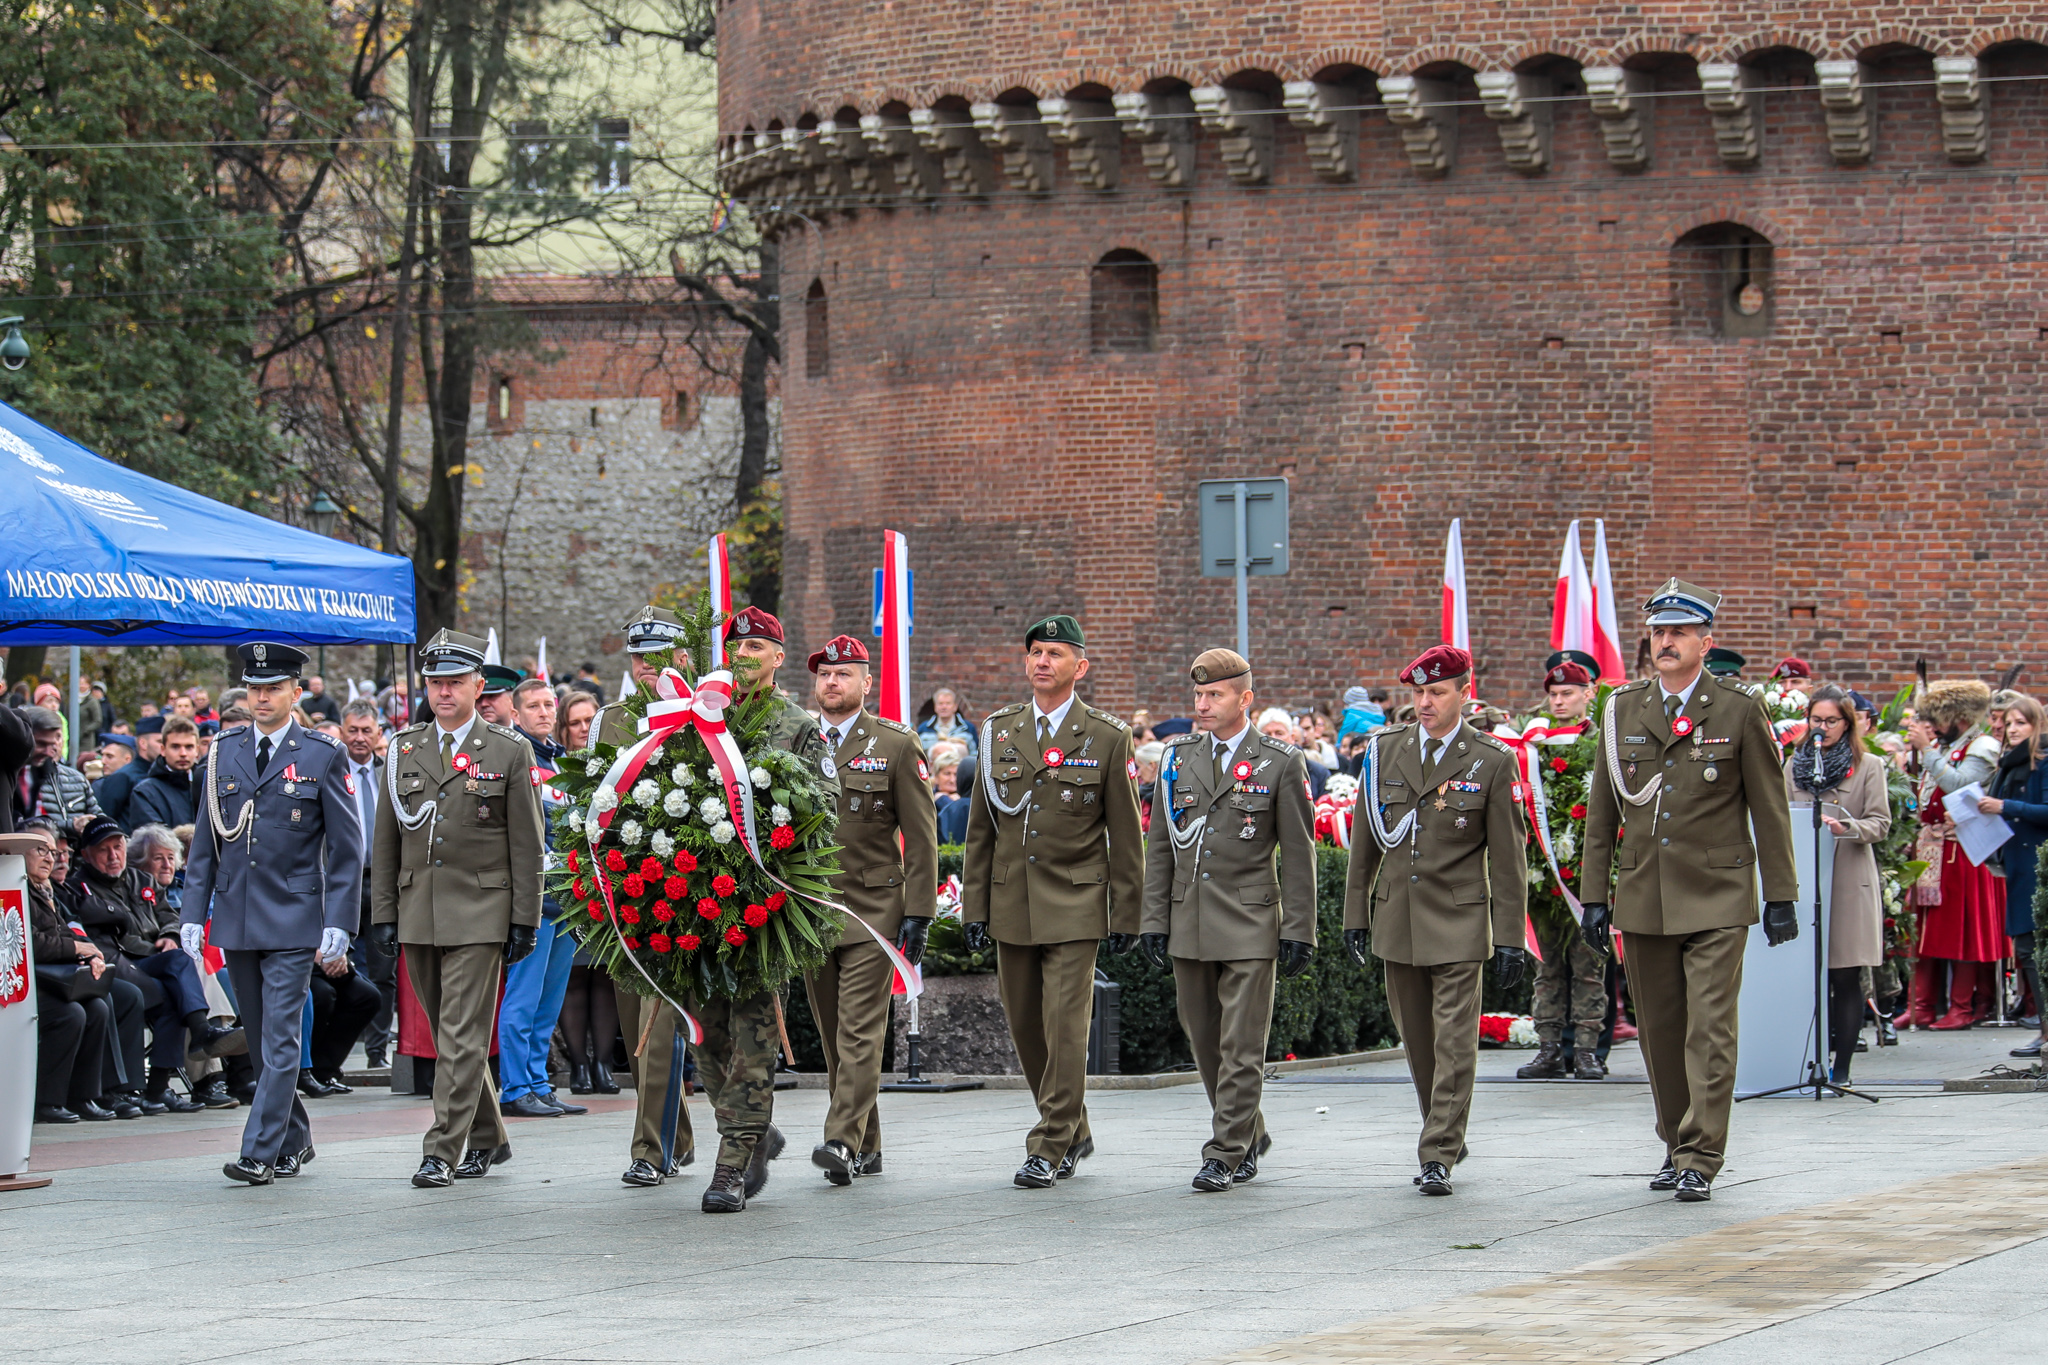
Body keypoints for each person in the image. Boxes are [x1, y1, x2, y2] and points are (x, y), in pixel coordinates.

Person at [1579, 579, 1798, 1203]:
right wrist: (1597, 895)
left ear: (1708, 640)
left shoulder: (1736, 709)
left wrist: (1780, 893)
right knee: (1660, 1029)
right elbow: (1603, 813)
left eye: (1679, 632)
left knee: (1710, 1026)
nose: (1666, 642)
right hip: (1646, 892)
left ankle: (1703, 1152)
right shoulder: (1623, 710)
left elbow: (1769, 806)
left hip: (1718, 890)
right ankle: (1675, 1142)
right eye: (1657, 632)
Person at [962, 614, 1143, 1189]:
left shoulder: (1108, 736)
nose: (1042, 661)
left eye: (1055, 653)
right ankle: (1074, 1128)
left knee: (1065, 1027)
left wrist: (1128, 912)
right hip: (1011, 900)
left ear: (1080, 667)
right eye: (1036, 652)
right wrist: (973, 907)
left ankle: (1048, 1141)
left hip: (1075, 902)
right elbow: (980, 829)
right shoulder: (997, 731)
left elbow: (1125, 833)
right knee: (1027, 1028)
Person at [1343, 645, 1525, 1196]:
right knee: (1418, 1043)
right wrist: (1356, 915)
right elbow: (1365, 844)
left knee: (1453, 1042)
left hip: (1459, 919)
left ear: (1463, 694)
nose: (1424, 703)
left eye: (1436, 692)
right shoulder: (1384, 752)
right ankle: (1445, 1129)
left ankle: (1437, 1150)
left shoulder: (1491, 759)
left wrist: (1511, 936)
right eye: (1418, 693)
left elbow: (1509, 857)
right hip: (1398, 917)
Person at [179, 643, 363, 1183]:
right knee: (260, 1041)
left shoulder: (322, 754)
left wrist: (339, 923)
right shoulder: (222, 751)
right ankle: (295, 1137)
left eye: (273, 688)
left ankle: (258, 1152)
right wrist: (194, 910)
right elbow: (206, 843)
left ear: (295, 693)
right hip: (236, 914)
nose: (261, 697)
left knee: (281, 1038)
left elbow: (348, 850)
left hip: (293, 914)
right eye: (254, 688)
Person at [369, 629, 543, 1189]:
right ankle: (489, 1136)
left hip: (482, 908)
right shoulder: (404, 748)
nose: (443, 693)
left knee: (463, 1034)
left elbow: (527, 844)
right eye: (435, 683)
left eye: (454, 683)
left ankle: (442, 1149)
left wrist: (524, 918)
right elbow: (386, 838)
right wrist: (384, 912)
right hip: (419, 905)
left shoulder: (509, 749)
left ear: (477, 685)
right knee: (451, 1037)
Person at [1140, 648, 1315, 1192]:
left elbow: (1300, 852)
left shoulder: (1281, 762)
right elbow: (1161, 848)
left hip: (1249, 920)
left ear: (1246, 699)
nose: (1202, 704)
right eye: (1198, 694)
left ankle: (1225, 1151)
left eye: (1214, 695)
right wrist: (1153, 920)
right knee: (1205, 1041)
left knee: (1241, 1045)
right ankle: (1248, 1132)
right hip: (1189, 920)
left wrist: (1298, 928)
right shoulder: (1177, 759)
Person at [682, 604, 835, 1212]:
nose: (742, 657)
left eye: (756, 649)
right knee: (706, 1036)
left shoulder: (798, 725)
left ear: (777, 657)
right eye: (735, 648)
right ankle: (752, 1133)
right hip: (700, 910)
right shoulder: (699, 719)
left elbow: (823, 805)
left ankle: (729, 1167)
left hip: (766, 909)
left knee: (753, 1037)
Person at [804, 633, 938, 1185]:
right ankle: (869, 1143)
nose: (832, 683)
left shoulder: (896, 744)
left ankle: (838, 1139)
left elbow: (923, 836)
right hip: (811, 912)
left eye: (843, 674)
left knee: (860, 1032)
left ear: (866, 683)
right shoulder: (797, 743)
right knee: (836, 1039)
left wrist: (920, 910)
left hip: (872, 910)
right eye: (824, 675)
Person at [598, 606, 698, 1186]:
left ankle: (649, 1148)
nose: (645, 667)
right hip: (621, 888)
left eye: (658, 655)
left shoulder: (704, 712)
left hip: (683, 890)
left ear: (682, 657)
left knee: (658, 1027)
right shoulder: (611, 721)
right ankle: (676, 1132)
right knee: (636, 1024)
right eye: (638, 656)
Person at [1784, 686, 1892, 1083]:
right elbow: (1779, 815)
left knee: (1844, 976)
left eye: (1831, 721)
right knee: (1804, 976)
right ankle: (1804, 1063)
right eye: (1816, 720)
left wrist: (1846, 827)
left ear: (1847, 723)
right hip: (1805, 880)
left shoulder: (1869, 766)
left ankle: (1842, 1069)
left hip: (1847, 880)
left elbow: (1880, 824)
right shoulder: (1795, 764)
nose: (1822, 728)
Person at [497, 676, 586, 1119]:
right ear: (515, 713)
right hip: (531, 900)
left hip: (565, 899)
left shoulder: (562, 760)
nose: (544, 712)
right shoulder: (512, 755)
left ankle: (538, 1082)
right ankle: (514, 1087)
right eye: (533, 706)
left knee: (548, 1002)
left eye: (549, 704)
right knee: (523, 999)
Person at [1518, 658, 1608, 1082]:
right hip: (1544, 875)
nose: (1558, 701)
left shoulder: (1600, 742)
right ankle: (1549, 1049)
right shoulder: (1535, 746)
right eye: (1553, 695)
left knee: (1589, 967)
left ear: (1588, 694)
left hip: (1588, 877)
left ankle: (1588, 1051)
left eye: (1568, 693)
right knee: (1547, 968)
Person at [1905, 680, 2006, 1030]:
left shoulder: (1983, 746)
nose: (1934, 727)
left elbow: (1960, 785)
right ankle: (1921, 1005)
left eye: (1939, 719)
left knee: (1958, 933)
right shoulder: (1945, 746)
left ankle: (1962, 1007)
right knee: (1923, 932)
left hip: (1963, 851)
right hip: (1932, 849)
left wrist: (1927, 752)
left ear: (1958, 717)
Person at [25, 822, 126, 1122]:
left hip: (55, 977)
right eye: (40, 850)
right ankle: (48, 1101)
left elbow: (69, 930)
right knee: (72, 1014)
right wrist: (77, 950)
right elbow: (30, 943)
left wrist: (90, 951)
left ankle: (83, 1096)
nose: (49, 858)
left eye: (53, 852)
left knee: (97, 1007)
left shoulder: (47, 891)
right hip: (26, 984)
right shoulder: (14, 890)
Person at [1972, 695, 2048, 1056]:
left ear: (2036, 726)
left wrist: (2005, 806)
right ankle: (2045, 1029)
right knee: (2026, 950)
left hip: (2038, 865)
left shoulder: (2043, 761)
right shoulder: (2007, 764)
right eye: (2009, 723)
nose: (2012, 729)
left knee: (2036, 949)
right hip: (2016, 866)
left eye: (2021, 723)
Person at [337, 699, 394, 1067]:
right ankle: (337, 1052)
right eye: (353, 730)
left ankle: (377, 1051)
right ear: (342, 732)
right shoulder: (330, 772)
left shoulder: (389, 774)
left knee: (383, 969)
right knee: (337, 963)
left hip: (382, 881)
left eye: (367, 731)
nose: (359, 738)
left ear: (378, 734)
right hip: (342, 882)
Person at [19, 705, 101, 827]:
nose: (48, 752)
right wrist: (70, 827)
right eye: (41, 744)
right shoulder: (16, 781)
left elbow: (97, 816)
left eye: (53, 743)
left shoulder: (77, 779)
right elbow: (21, 827)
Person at [126, 716, 201, 831]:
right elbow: (155, 842)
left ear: (197, 750)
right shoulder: (145, 792)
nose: (183, 753)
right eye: (175, 747)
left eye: (189, 747)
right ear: (163, 750)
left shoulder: (209, 786)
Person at [917, 687, 978, 757]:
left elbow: (975, 756)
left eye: (948, 703)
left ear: (955, 707)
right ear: (935, 707)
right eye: (940, 703)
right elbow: (919, 756)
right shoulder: (924, 728)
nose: (944, 707)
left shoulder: (968, 728)